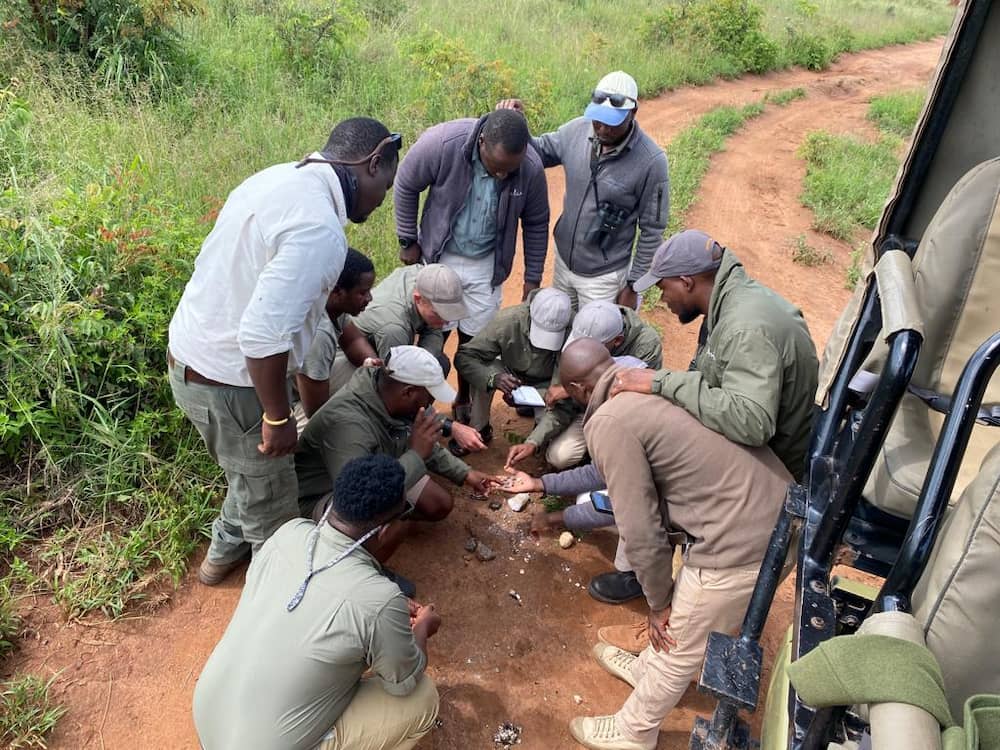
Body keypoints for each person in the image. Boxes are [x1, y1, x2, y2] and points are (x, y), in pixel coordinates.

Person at [168, 117, 400, 586]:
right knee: (274, 512)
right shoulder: (319, 227)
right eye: (386, 185)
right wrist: (277, 416)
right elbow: (260, 335)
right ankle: (277, 606)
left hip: (196, 359)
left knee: (249, 475)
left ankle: (217, 562)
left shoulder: (276, 179)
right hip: (230, 383)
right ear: (372, 162)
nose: (382, 200)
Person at [557, 341, 791, 750]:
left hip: (743, 540)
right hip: (774, 510)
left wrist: (658, 602)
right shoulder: (649, 387)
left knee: (677, 640)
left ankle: (635, 731)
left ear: (577, 388)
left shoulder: (608, 421)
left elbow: (639, 523)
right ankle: (648, 667)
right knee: (683, 618)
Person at [192, 454, 440, 750]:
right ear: (385, 531)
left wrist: (383, 613)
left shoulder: (289, 533)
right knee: (422, 699)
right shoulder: (379, 600)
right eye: (404, 515)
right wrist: (422, 629)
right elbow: (403, 682)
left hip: (209, 718)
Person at [613, 229, 819, 480]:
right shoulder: (724, 301)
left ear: (686, 282)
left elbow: (752, 422)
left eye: (662, 288)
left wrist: (660, 382)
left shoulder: (745, 328)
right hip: (755, 452)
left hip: (768, 474)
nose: (663, 298)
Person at [393, 108, 550, 420]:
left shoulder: (530, 166)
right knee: (435, 333)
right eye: (498, 167)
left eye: (511, 168)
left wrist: (532, 279)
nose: (504, 174)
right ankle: (417, 409)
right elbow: (406, 183)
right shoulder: (443, 143)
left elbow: (537, 223)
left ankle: (465, 402)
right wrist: (407, 239)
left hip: (486, 264)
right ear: (482, 143)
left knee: (475, 341)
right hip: (440, 257)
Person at [296, 346, 496, 563]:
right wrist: (417, 456)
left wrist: (466, 474)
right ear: (408, 392)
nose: (430, 405)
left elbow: (425, 437)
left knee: (438, 504)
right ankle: (360, 566)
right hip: (331, 495)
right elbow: (361, 496)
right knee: (394, 527)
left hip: (374, 466)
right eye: (428, 398)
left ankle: (378, 530)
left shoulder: (392, 398)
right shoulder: (348, 424)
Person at [498, 71, 669, 311]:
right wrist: (517, 123)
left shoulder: (652, 162)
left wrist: (634, 286)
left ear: (633, 112)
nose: (602, 128)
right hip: (563, 264)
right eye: (598, 119)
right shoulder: (576, 131)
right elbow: (538, 152)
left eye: (612, 122)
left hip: (605, 279)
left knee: (593, 343)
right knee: (557, 332)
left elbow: (653, 231)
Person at [506, 299, 662, 471]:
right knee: (558, 455)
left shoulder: (645, 346)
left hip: (618, 413)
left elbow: (636, 403)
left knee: (605, 456)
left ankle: (595, 462)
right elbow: (561, 398)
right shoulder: (587, 321)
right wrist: (533, 442)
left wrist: (573, 388)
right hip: (581, 403)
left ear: (617, 341)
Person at [452, 287, 573, 454]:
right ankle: (478, 429)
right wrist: (493, 378)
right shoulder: (507, 320)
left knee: (554, 422)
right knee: (484, 370)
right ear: (529, 313)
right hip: (510, 372)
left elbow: (563, 386)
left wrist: (539, 394)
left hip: (549, 383)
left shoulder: (576, 333)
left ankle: (540, 434)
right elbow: (465, 357)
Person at [324, 263, 470, 392]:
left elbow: (433, 328)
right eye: (440, 313)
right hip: (339, 363)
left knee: (435, 363)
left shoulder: (422, 276)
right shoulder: (395, 328)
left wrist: (425, 356)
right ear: (418, 299)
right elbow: (393, 384)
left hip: (366, 345)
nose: (446, 321)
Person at [292, 248, 379, 427]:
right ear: (338, 291)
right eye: (362, 292)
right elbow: (315, 411)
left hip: (306, 384)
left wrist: (372, 362)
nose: (369, 298)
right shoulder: (319, 334)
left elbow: (353, 341)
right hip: (285, 403)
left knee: (369, 374)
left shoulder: (330, 302)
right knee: (350, 430)